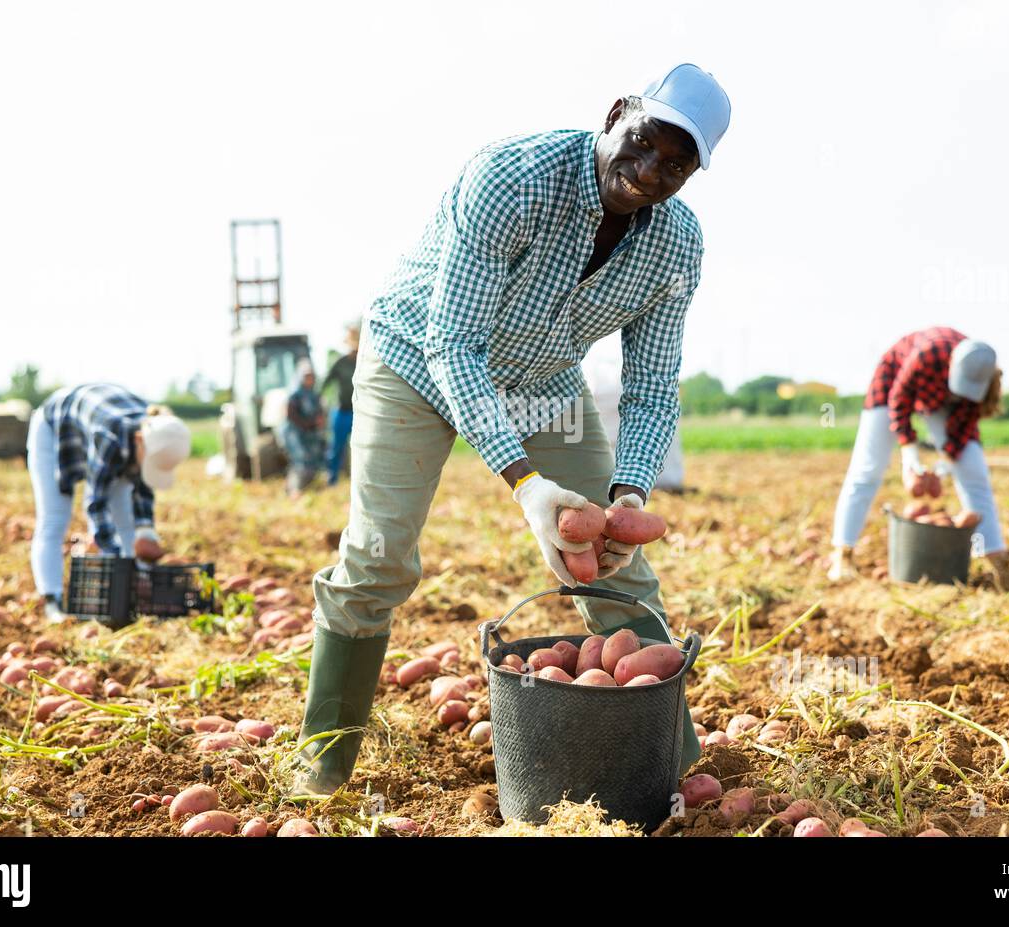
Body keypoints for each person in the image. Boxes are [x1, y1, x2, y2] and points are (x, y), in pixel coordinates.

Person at [296, 63, 731, 793]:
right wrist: (527, 486)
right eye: (645, 141)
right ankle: (323, 762)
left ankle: (669, 770)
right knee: (378, 562)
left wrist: (626, 495)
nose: (650, 170)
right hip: (416, 361)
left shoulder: (676, 245)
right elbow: (452, 344)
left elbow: (652, 387)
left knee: (620, 570)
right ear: (617, 112)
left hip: (540, 379)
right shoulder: (514, 178)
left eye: (676, 164)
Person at [827, 327, 1009, 591]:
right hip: (893, 384)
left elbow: (963, 427)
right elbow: (899, 400)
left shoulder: (981, 377)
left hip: (939, 398)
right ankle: (842, 555)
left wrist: (944, 465)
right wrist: (909, 454)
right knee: (868, 467)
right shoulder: (928, 354)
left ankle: (996, 561)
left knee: (973, 469)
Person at [27, 383, 191, 622]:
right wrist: (113, 558)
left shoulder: (155, 428)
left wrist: (146, 531)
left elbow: (144, 483)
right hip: (54, 428)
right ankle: (52, 600)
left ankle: (132, 593)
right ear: (138, 441)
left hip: (99, 430)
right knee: (54, 517)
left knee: (124, 518)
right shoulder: (110, 435)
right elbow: (96, 502)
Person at [320, 320, 360, 486]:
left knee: (360, 448)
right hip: (341, 412)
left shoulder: (365, 363)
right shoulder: (340, 362)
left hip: (359, 413)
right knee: (336, 447)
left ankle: (358, 481)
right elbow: (325, 383)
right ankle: (332, 478)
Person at [279, 359, 326, 496]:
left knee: (313, 461)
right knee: (300, 459)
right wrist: (310, 424)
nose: (309, 379)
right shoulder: (295, 395)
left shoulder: (314, 395)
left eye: (311, 376)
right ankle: (294, 489)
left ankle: (303, 487)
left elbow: (320, 413)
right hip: (295, 432)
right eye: (306, 376)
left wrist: (319, 422)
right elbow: (292, 416)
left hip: (309, 433)